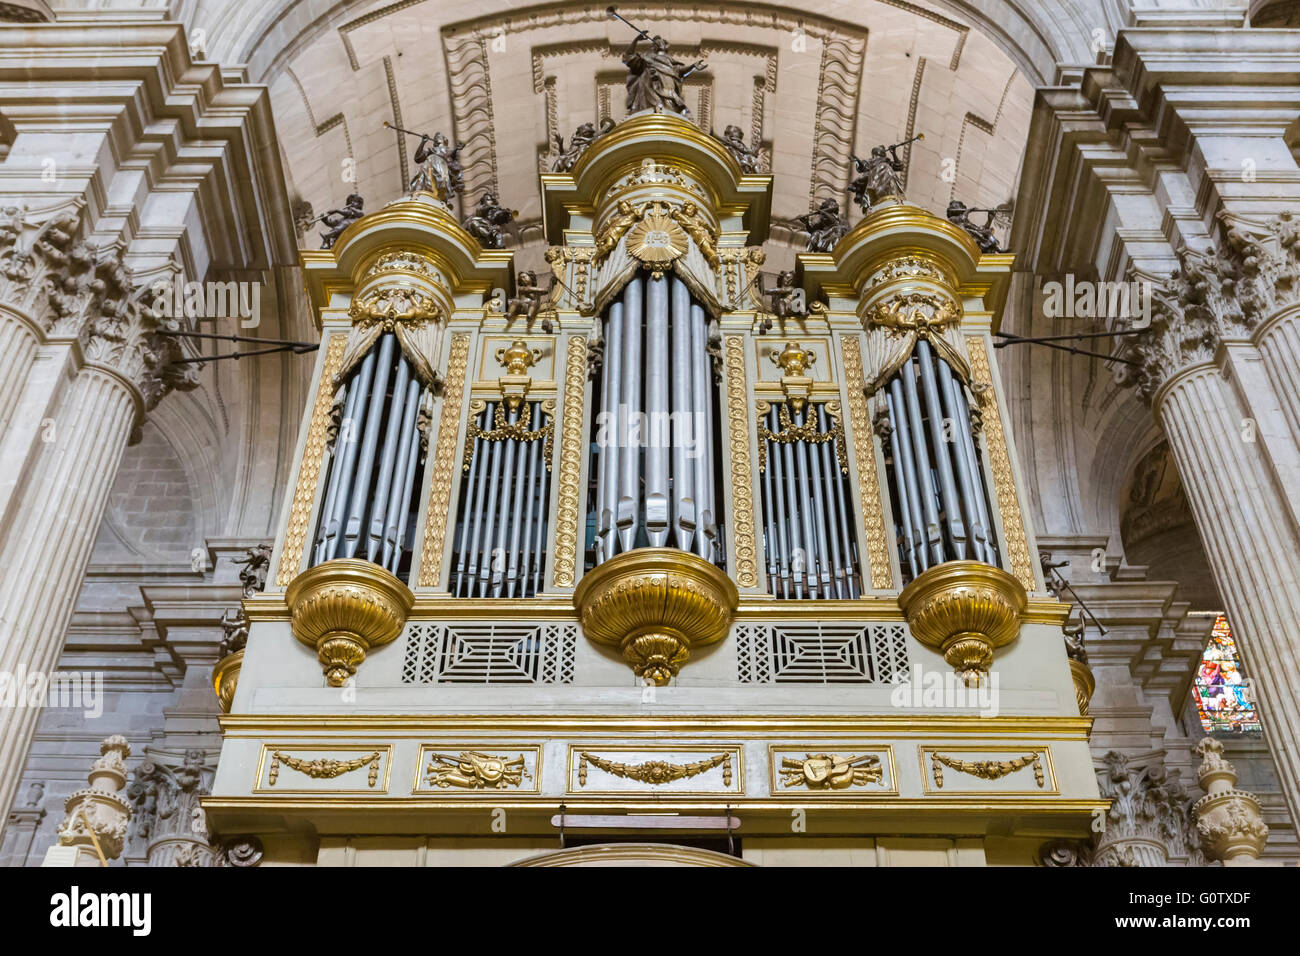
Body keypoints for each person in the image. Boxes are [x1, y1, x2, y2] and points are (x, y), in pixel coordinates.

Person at [623, 32, 706, 117]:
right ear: (653, 46)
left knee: (669, 112)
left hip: (669, 92)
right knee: (650, 111)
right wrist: (636, 40)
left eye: (661, 42)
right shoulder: (645, 58)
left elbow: (680, 72)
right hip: (649, 88)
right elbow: (628, 57)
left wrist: (693, 66)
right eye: (656, 42)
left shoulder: (670, 61)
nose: (659, 43)